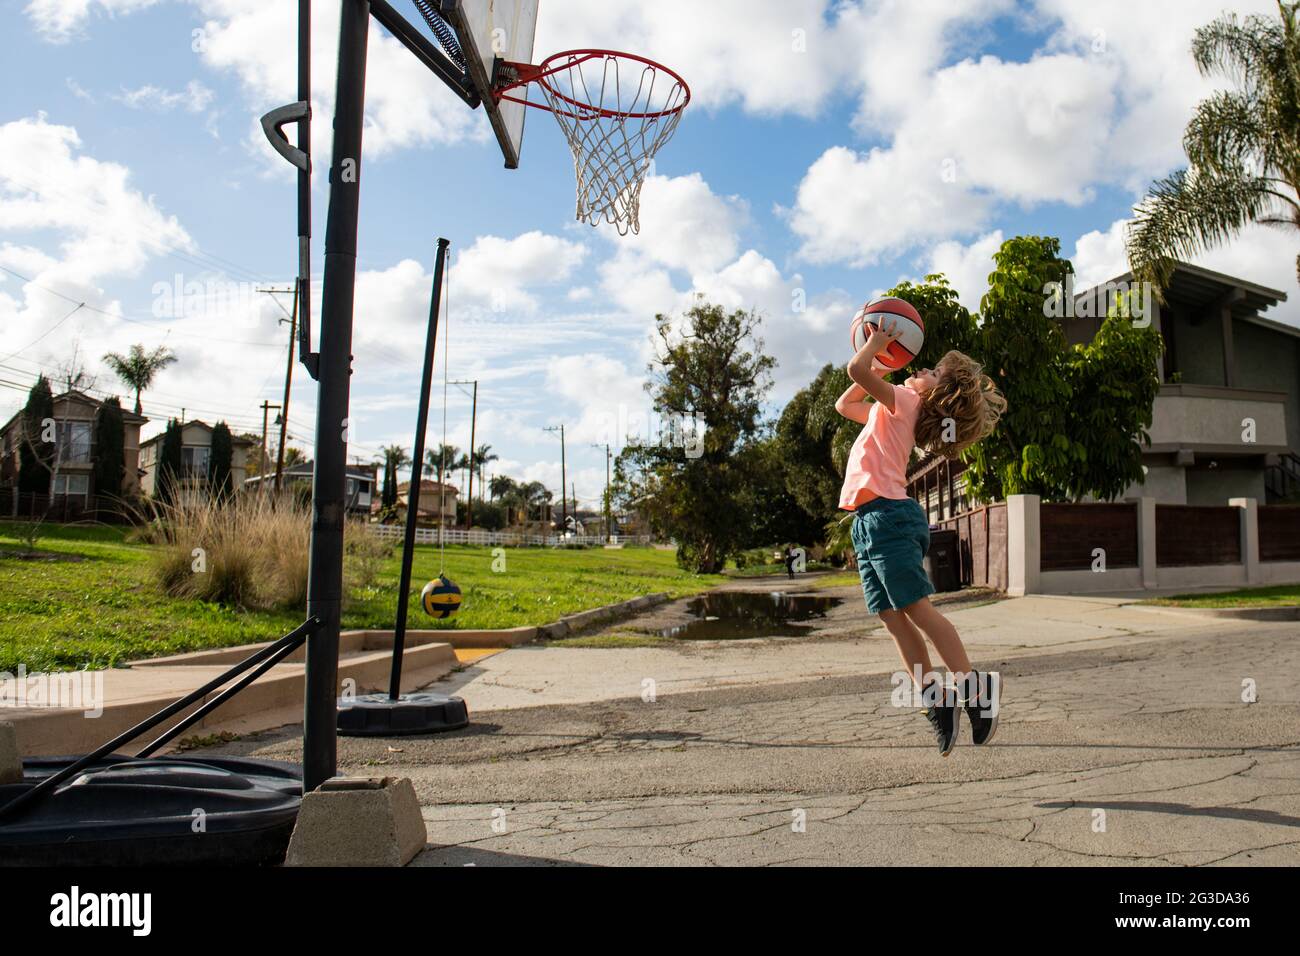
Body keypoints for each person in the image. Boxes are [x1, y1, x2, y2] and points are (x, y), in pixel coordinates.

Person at [835, 313, 1007, 756]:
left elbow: (856, 371)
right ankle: (938, 700)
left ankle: (975, 689)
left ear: (937, 392)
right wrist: (882, 364)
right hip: (869, 520)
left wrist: (877, 344)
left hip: (889, 517)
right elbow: (845, 404)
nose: (921, 369)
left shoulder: (906, 404)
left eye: (931, 372)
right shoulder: (890, 407)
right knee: (892, 618)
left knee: (917, 611)